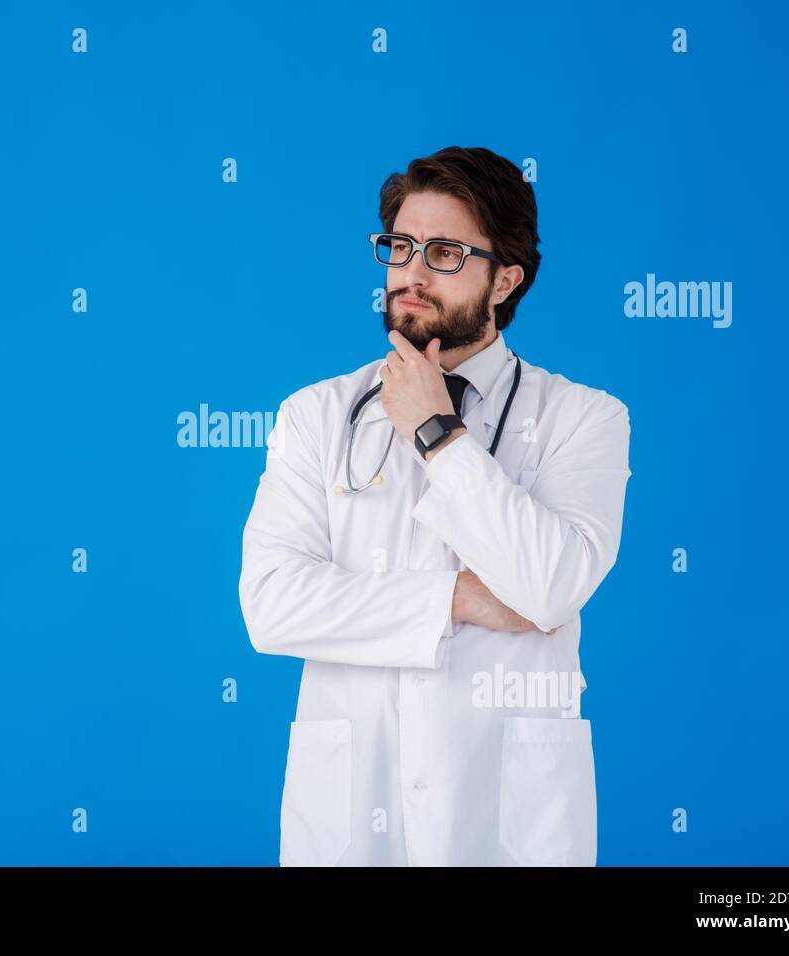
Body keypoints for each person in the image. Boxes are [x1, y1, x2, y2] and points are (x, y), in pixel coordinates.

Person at [238, 146, 631, 866]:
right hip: (354, 816)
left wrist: (436, 434)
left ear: (505, 279)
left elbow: (549, 587)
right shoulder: (316, 415)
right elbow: (271, 606)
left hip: (510, 821)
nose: (412, 274)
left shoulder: (585, 419)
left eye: (445, 253)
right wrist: (457, 599)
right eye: (401, 247)